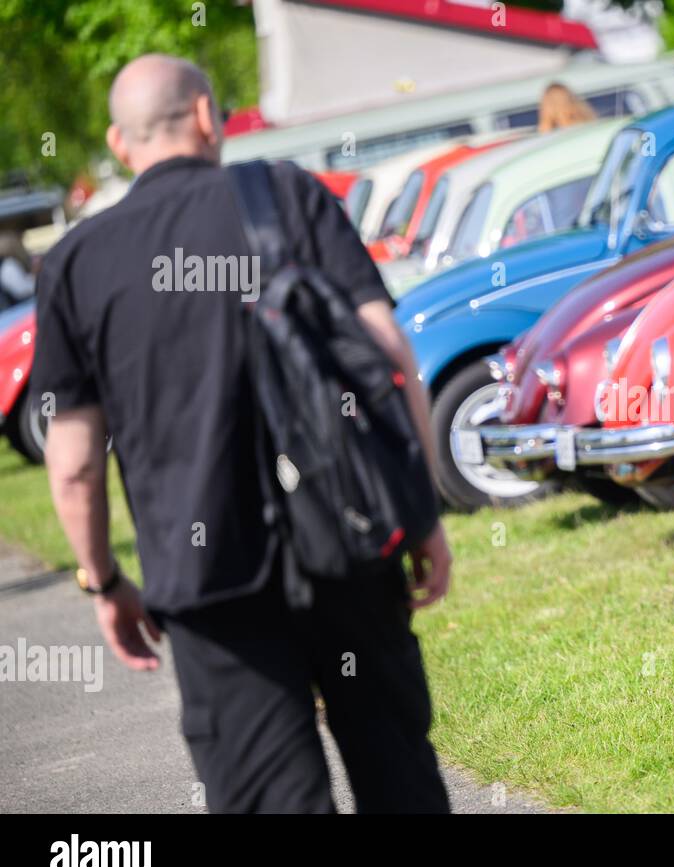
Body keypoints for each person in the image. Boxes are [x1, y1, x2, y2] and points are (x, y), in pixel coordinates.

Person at [31, 54, 455, 814]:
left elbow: (73, 465)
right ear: (205, 116)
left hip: (210, 582)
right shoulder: (285, 194)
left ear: (120, 143)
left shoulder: (73, 263)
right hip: (347, 544)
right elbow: (391, 356)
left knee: (269, 800)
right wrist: (420, 513)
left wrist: (103, 582)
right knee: (398, 772)